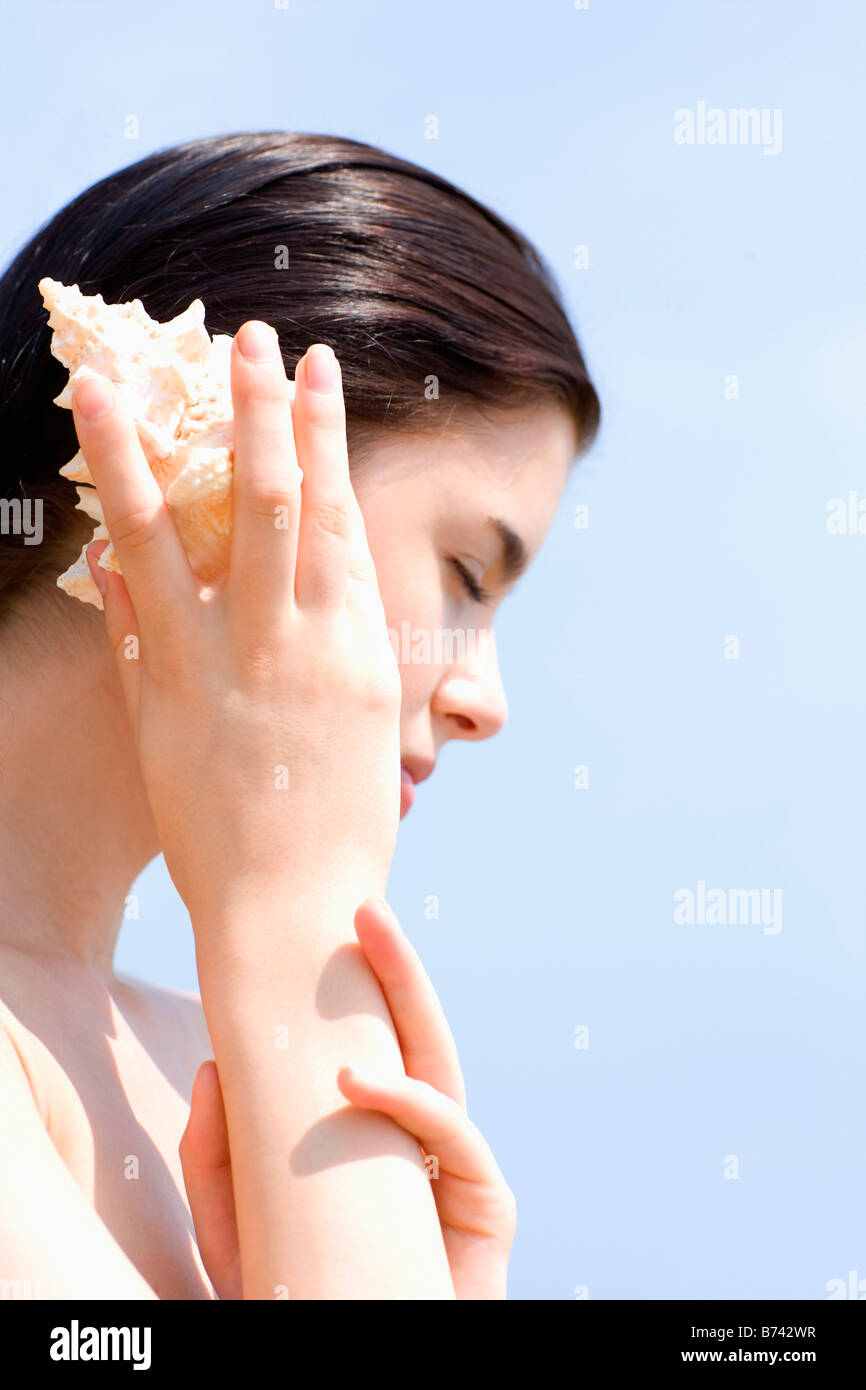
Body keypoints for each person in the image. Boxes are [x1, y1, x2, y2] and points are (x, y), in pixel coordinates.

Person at [0, 131, 600, 1300]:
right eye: (467, 573)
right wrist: (289, 906)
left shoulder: (198, 1066)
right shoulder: (248, 1048)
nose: (484, 700)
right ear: (217, 456)